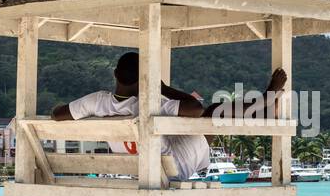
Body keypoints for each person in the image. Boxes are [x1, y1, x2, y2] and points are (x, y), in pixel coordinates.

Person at [52, 51, 287, 182]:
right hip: (173, 169)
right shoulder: (149, 105)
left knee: (180, 127)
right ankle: (266, 101)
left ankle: (265, 106)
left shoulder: (97, 101)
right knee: (214, 111)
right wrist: (162, 88)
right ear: (146, 77)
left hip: (137, 171)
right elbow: (196, 109)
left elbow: (58, 114)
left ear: (115, 74)